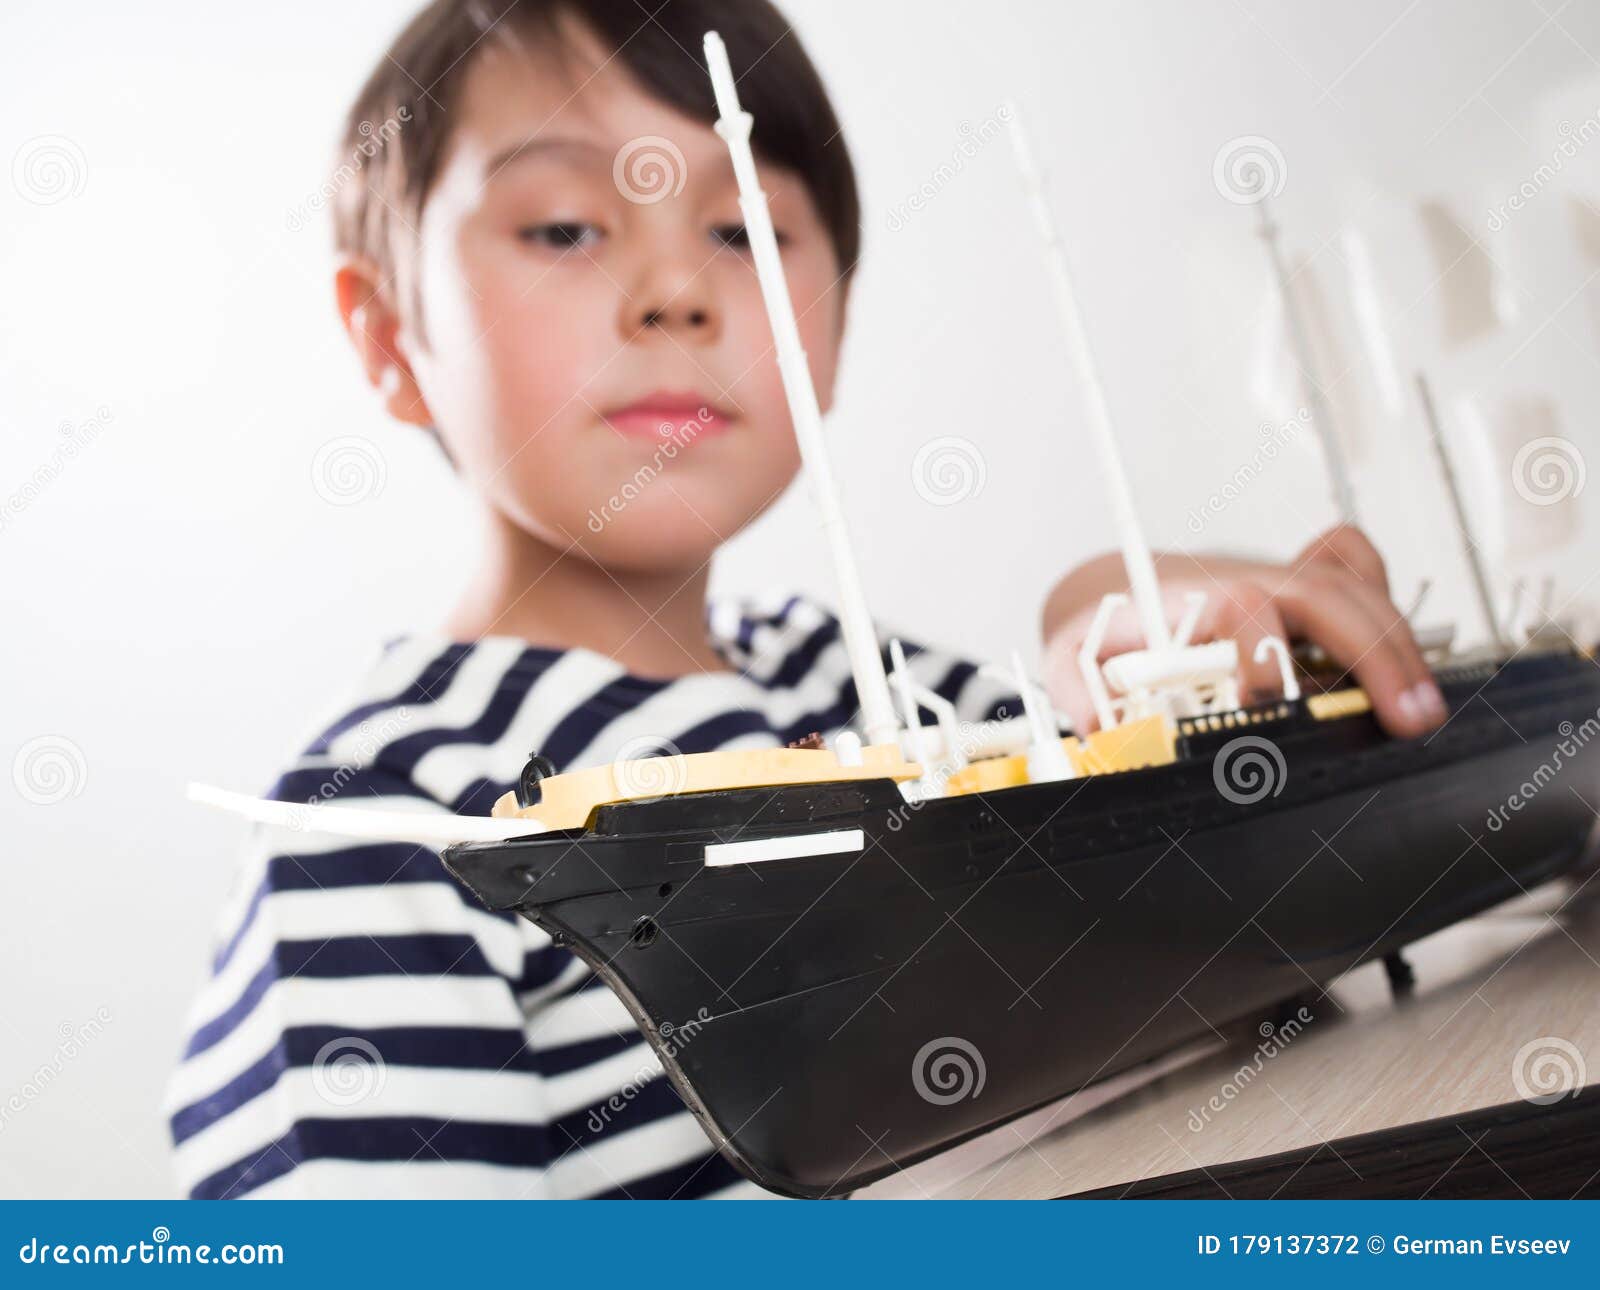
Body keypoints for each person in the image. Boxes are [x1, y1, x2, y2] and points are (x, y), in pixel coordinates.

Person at [164, 0, 1445, 1199]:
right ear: (388, 335)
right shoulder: (373, 834)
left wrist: (1115, 617)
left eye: (748, 233)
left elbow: (1214, 947)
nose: (680, 290)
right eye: (561, 225)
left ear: (829, 328)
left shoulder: (877, 691)